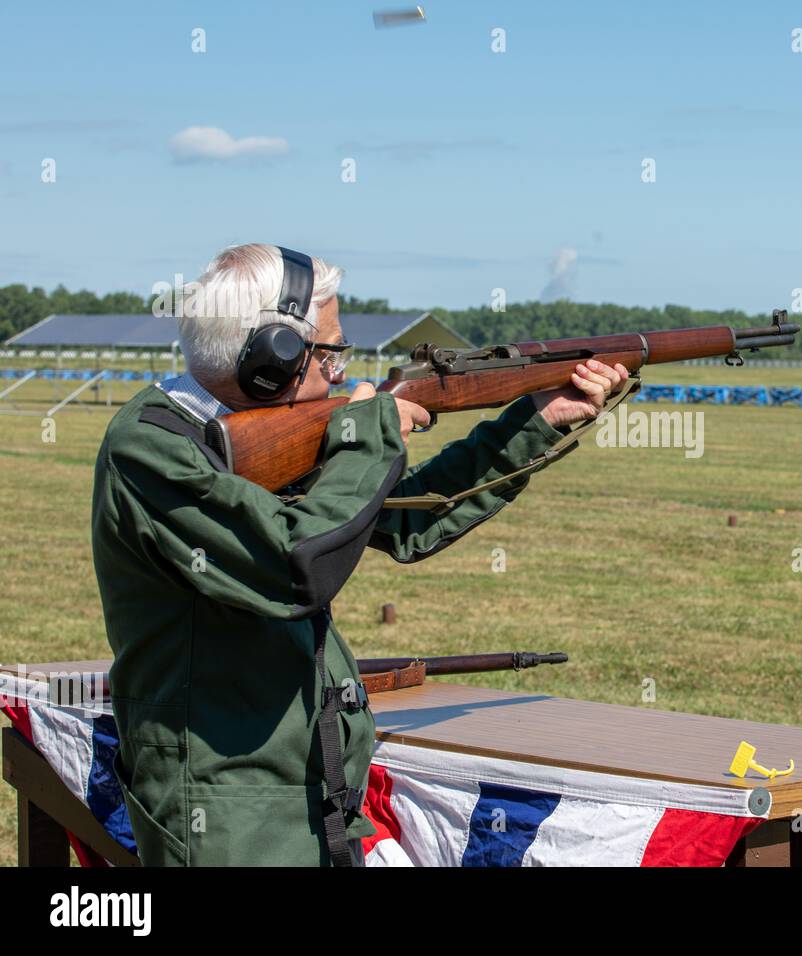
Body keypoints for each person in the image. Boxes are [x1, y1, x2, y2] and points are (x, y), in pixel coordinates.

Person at [90, 243, 627, 866]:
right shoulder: (153, 448)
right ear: (272, 357)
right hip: (228, 803)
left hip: (314, 783)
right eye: (331, 350)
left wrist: (536, 420)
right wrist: (366, 432)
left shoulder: (268, 426)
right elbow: (298, 564)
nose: (341, 371)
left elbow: (401, 520)